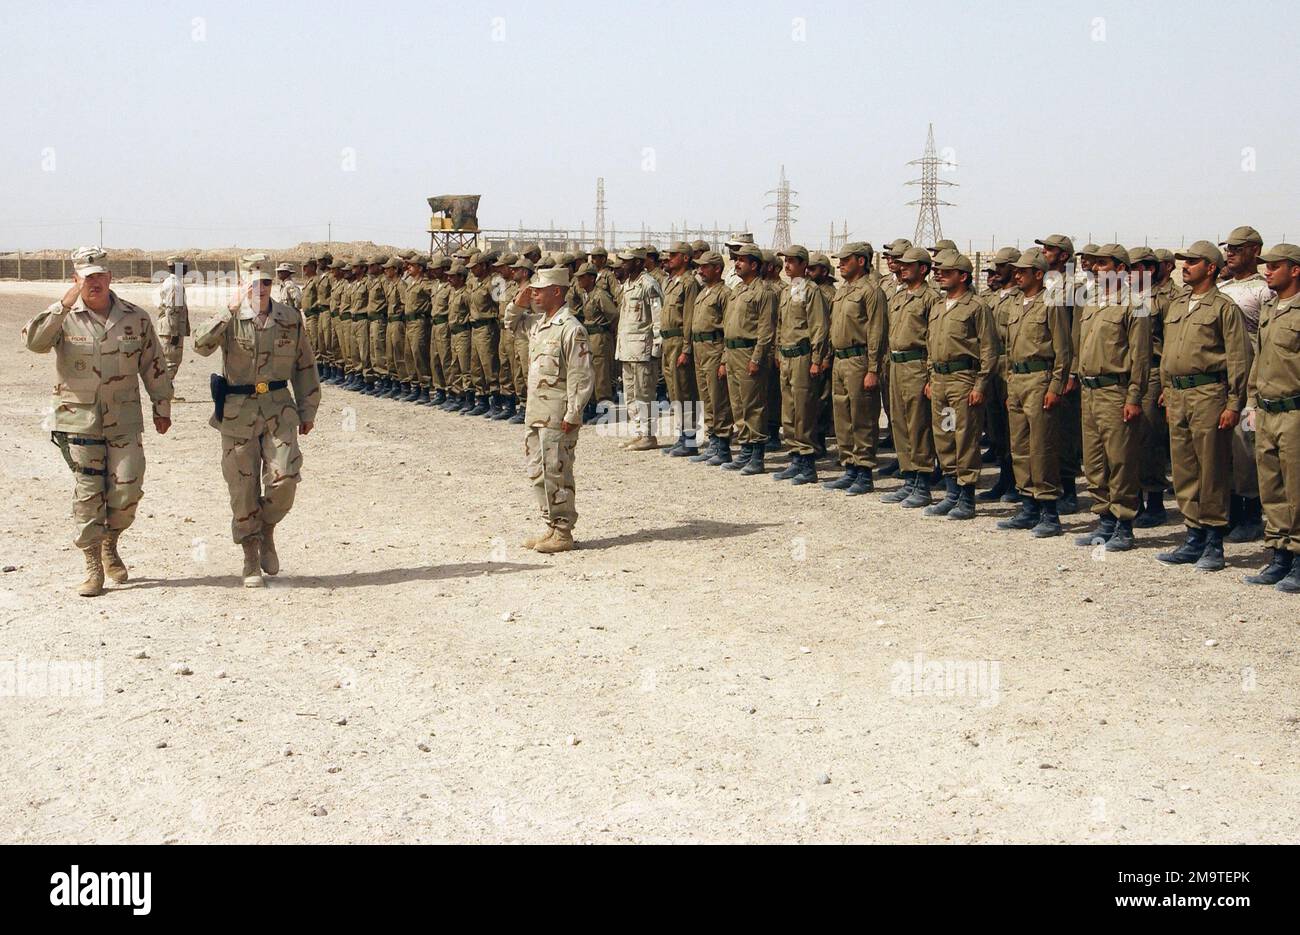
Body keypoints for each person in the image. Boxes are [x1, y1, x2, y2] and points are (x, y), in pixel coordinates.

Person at [24, 247, 174, 596]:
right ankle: (93, 564)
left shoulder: (135, 318)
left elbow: (154, 364)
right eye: (87, 277)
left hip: (123, 419)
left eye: (100, 276)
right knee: (89, 493)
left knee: (127, 488)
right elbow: (34, 343)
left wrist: (161, 405)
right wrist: (61, 306)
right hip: (78, 421)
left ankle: (111, 541)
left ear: (110, 278)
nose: (95, 282)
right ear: (76, 280)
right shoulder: (63, 318)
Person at [193, 263, 320, 587]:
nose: (260, 288)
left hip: (279, 411)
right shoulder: (230, 317)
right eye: (253, 283)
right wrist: (228, 309)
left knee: (285, 479)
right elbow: (200, 344)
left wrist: (308, 409)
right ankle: (251, 555)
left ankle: (266, 528)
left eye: (265, 282)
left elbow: (304, 366)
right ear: (241, 283)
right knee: (242, 489)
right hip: (238, 414)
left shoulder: (289, 320)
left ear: (272, 283)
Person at [1155, 241, 1249, 572]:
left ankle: (1213, 541)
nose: (1186, 266)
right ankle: (1193, 534)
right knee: (1184, 468)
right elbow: (1169, 351)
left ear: (1211, 267)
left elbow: (1239, 358)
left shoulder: (1223, 307)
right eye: (1184, 261)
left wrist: (1235, 402)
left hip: (1209, 394)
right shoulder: (1178, 304)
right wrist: (1167, 388)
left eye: (1193, 262)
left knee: (1212, 470)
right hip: (1178, 395)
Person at [502, 268, 594, 554]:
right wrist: (520, 300)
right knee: (538, 471)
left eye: (539, 290)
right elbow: (509, 322)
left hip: (558, 413)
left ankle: (564, 530)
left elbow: (581, 376)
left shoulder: (571, 328)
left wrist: (573, 413)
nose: (534, 294)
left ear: (557, 291)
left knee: (557, 471)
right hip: (536, 412)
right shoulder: (539, 324)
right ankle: (551, 525)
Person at [1070, 245, 1149, 549]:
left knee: (1121, 460)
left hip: (1116, 390)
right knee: (1094, 460)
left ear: (1120, 268)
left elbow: (1140, 356)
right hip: (1090, 391)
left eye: (1103, 264)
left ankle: (1124, 523)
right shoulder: (1091, 301)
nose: (1097, 268)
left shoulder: (1135, 302)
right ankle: (1103, 519)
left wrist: (1134, 396)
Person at [924, 252, 997, 520]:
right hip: (941, 381)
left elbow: (989, 349)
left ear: (963, 276)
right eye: (938, 270)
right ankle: (951, 493)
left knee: (964, 438)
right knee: (945, 435)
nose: (939, 274)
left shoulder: (976, 307)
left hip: (963, 380)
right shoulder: (938, 306)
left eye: (946, 271)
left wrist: (980, 385)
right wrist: (931, 376)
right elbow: (930, 345)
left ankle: (966, 498)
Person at [1244, 243, 1300, 591]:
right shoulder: (1269, 307)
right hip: (1266, 410)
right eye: (1265, 266)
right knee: (1272, 487)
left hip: (1294, 411)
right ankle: (1279, 552)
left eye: (1275, 266)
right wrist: (1252, 400)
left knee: (1297, 489)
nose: (1267, 271)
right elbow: (1259, 359)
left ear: (1295, 270)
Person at [1218, 225, 1273, 542]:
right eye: (1228, 248)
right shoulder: (1222, 288)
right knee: (1223, 450)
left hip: (1250, 381)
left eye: (1237, 248)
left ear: (1255, 250)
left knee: (1246, 448)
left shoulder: (1264, 290)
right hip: (1221, 380)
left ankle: (1252, 514)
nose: (1230, 253)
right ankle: (1229, 512)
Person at [823, 242, 887, 494]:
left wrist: (873, 369)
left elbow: (876, 332)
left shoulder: (871, 291)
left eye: (845, 259)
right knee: (842, 417)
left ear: (861, 261)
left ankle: (864, 471)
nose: (840, 263)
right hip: (840, 360)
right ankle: (849, 466)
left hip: (860, 359)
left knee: (862, 417)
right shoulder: (843, 291)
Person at [881, 247, 939, 507]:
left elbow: (934, 340)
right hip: (896, 365)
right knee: (900, 423)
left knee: (918, 425)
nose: (901, 267)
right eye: (901, 264)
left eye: (908, 265)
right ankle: (909, 479)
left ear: (923, 269)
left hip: (917, 365)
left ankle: (923, 483)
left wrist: (930, 376)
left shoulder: (931, 298)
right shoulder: (899, 296)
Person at [771, 244, 831, 485]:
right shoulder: (787, 291)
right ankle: (795, 457)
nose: (787, 265)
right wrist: (777, 351)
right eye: (785, 261)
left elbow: (818, 327)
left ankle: (807, 463)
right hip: (786, 356)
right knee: (789, 410)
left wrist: (817, 359)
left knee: (804, 410)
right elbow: (781, 325)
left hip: (803, 356)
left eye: (792, 261)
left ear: (804, 265)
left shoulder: (811, 291)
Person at [720, 243, 777, 474]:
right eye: (736, 259)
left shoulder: (763, 292)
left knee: (754, 406)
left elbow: (766, 331)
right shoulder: (738, 291)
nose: (737, 263)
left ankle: (757, 454)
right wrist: (725, 357)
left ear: (754, 264)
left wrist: (757, 358)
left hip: (748, 352)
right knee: (738, 405)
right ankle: (745, 449)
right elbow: (729, 327)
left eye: (742, 260)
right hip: (733, 352)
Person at [615, 248, 664, 450]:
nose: (622, 265)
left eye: (626, 261)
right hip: (627, 348)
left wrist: (657, 346)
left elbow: (658, 317)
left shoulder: (648, 284)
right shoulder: (627, 285)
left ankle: (649, 435)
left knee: (644, 394)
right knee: (631, 395)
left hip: (643, 349)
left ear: (637, 263)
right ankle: (638, 432)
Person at [689, 251, 734, 465]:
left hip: (715, 348)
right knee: (706, 397)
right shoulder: (703, 292)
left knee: (719, 399)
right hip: (700, 348)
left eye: (704, 267)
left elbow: (729, 328)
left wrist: (725, 359)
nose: (700, 270)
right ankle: (713, 440)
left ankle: (723, 446)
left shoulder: (724, 293)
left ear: (717, 268)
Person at [660, 242, 699, 455]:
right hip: (667, 342)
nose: (669, 258)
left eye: (674, 255)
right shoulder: (671, 282)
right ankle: (682, 434)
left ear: (685, 258)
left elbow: (689, 318)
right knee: (674, 390)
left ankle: (690, 439)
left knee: (684, 390)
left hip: (678, 342)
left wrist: (686, 349)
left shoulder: (689, 283)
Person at [154, 254, 191, 386]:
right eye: (184, 266)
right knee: (171, 362)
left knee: (169, 361)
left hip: (168, 327)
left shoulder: (172, 282)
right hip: (171, 329)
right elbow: (173, 309)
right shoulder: (175, 285)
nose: (186, 269)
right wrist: (175, 332)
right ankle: (167, 392)